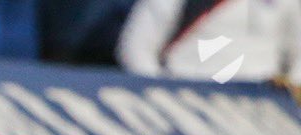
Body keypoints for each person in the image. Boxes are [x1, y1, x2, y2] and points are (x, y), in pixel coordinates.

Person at [116, 0, 301, 91]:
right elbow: (135, 48)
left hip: (260, 103)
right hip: (190, 94)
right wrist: (162, 91)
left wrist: (290, 93)